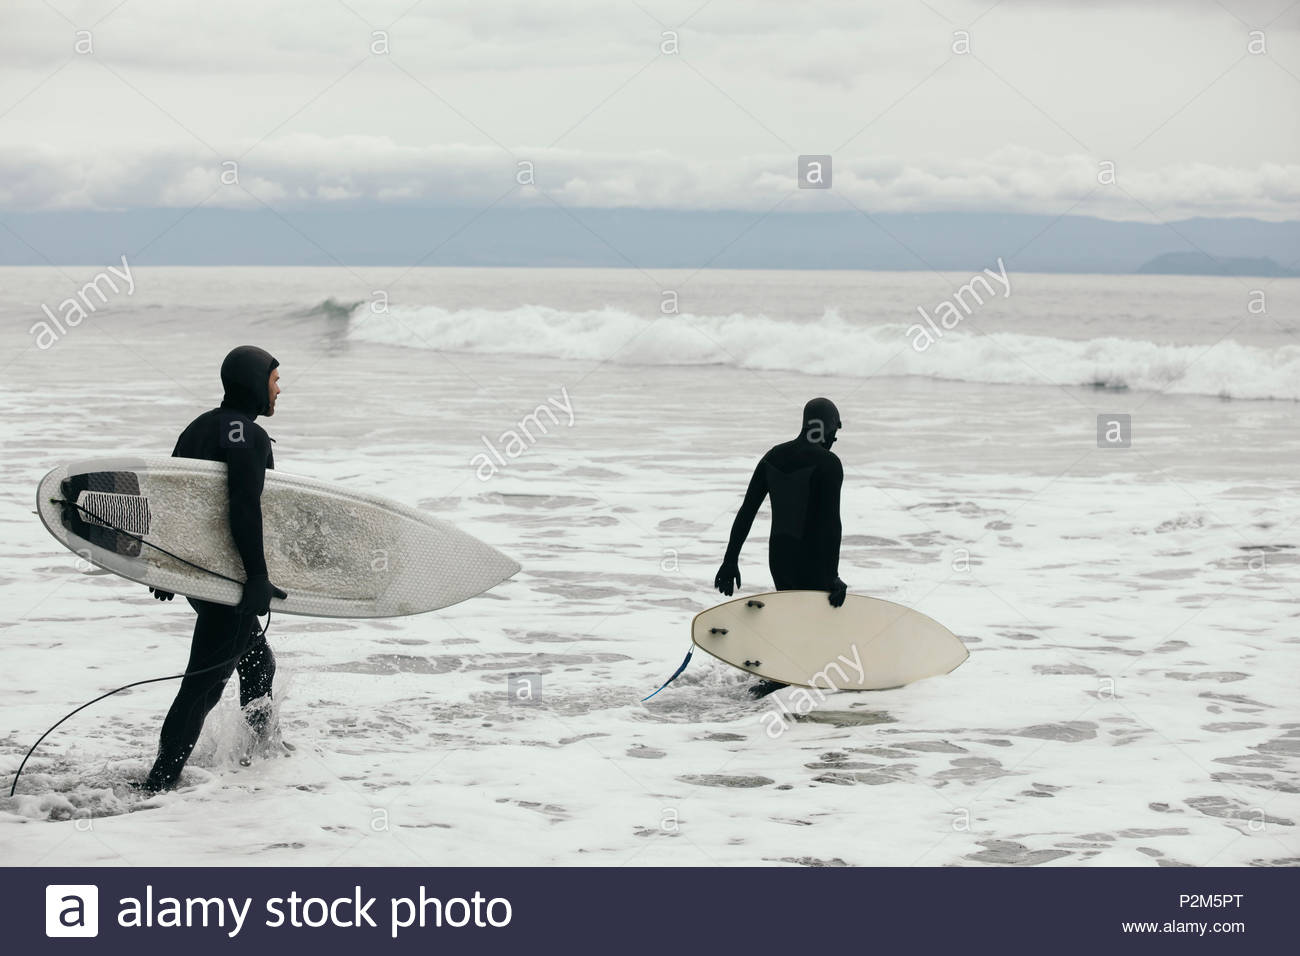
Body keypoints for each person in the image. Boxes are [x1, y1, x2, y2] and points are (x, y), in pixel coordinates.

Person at [143, 345, 288, 792]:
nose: (279, 389)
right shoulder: (249, 435)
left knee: (256, 661)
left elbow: (171, 498)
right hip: (230, 574)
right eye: (275, 379)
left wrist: (167, 567)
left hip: (199, 573)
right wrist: (258, 578)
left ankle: (260, 752)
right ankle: (159, 783)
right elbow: (243, 508)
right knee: (204, 682)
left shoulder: (199, 427)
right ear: (253, 381)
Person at [714, 397, 847, 699]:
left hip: (780, 557)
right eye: (835, 430)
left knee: (794, 617)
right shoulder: (829, 463)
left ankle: (778, 679)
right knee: (813, 623)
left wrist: (730, 560)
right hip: (812, 558)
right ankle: (787, 681)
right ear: (824, 427)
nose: (835, 438)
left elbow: (747, 510)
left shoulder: (774, 456)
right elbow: (831, 524)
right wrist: (832, 575)